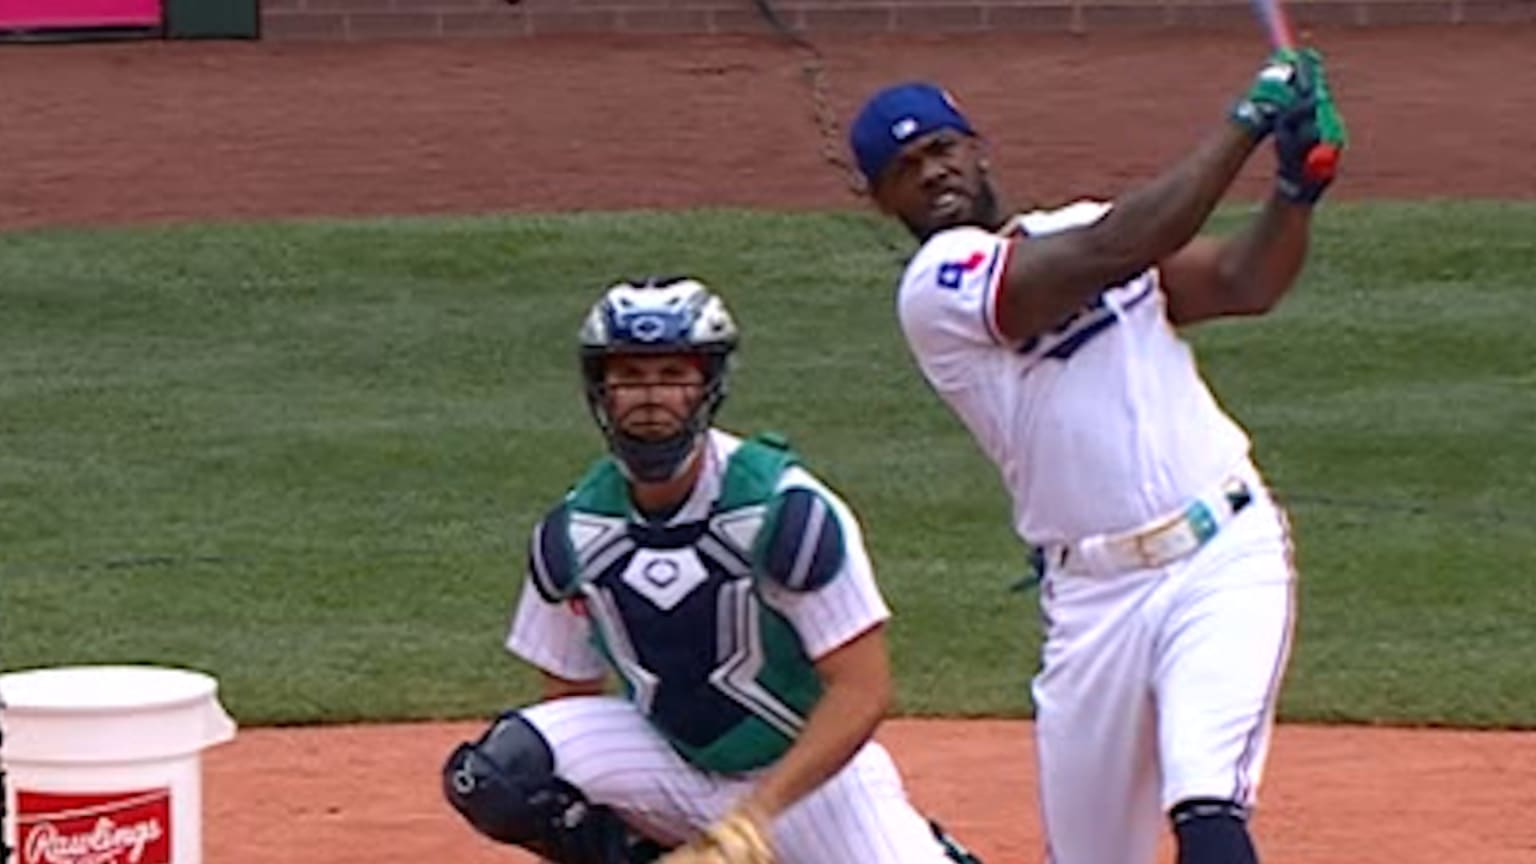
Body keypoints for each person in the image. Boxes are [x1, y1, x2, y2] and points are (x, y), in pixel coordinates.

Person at [847, 49, 1346, 864]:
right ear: (882, 200)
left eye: (942, 148)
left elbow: (1242, 281)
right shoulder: (936, 289)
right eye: (905, 169)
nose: (932, 172)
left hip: (1222, 554)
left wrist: (1296, 190)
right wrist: (1248, 123)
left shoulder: (1077, 227)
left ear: (978, 149)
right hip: (1093, 602)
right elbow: (1106, 253)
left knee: (1208, 809)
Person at [442, 276, 982, 864]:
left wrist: (749, 824)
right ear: (602, 390)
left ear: (708, 385)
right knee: (500, 773)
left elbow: (862, 689)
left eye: (672, 376)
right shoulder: (572, 532)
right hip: (672, 763)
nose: (651, 397)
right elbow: (568, 705)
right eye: (630, 377)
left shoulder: (786, 510)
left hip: (807, 778)